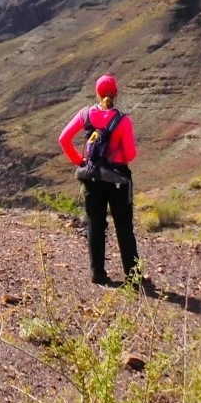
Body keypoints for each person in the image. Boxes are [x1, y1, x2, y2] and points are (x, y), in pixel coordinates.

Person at [58, 74, 144, 288]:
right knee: (124, 227)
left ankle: (97, 273)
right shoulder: (123, 120)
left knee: (95, 225)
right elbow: (131, 154)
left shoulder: (85, 114)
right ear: (116, 94)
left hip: (91, 178)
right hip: (118, 181)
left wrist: (80, 162)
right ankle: (133, 279)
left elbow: (64, 139)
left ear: (97, 93)